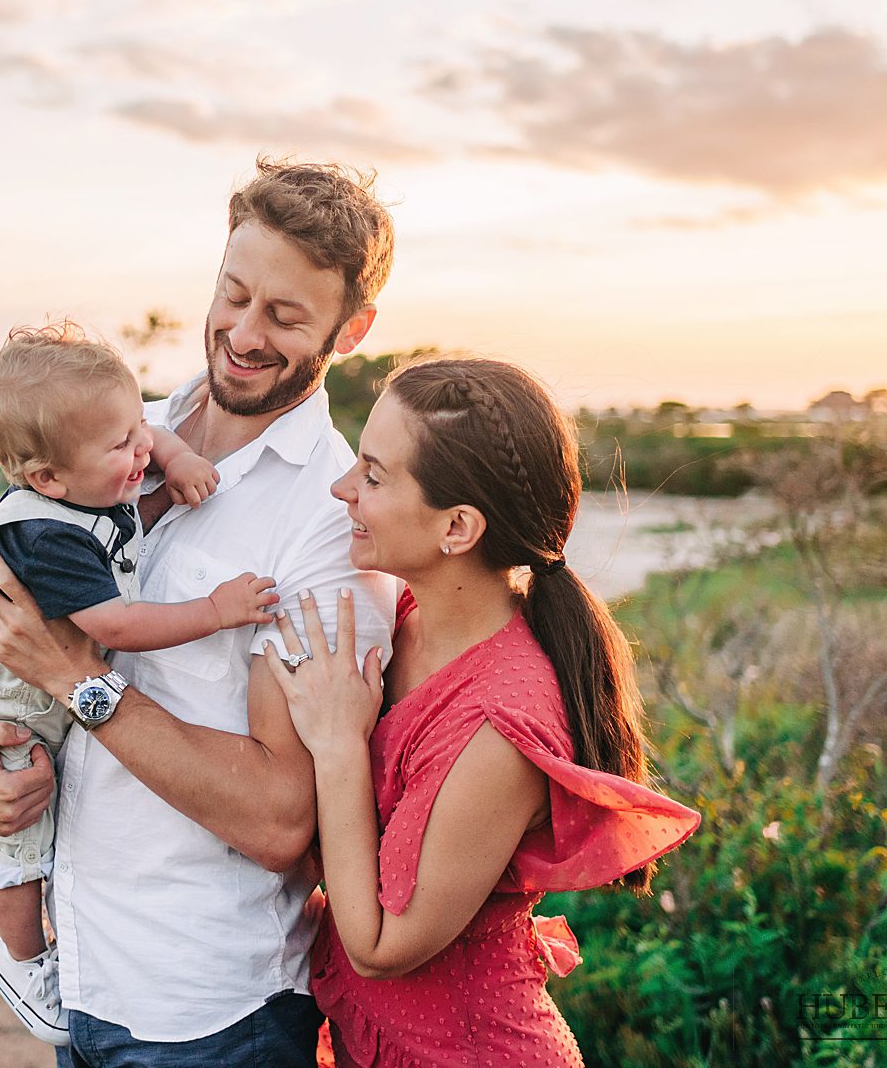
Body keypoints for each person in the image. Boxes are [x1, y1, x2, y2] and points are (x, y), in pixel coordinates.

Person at [0, 158, 399, 1067]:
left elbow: (281, 820)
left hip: (210, 1011)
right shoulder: (111, 428)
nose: (243, 331)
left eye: (286, 315)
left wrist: (77, 679)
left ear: (354, 329)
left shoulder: (330, 526)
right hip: (84, 983)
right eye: (233, 293)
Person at [268, 357, 702, 1066]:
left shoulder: (500, 724)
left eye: (373, 476)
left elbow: (381, 946)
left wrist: (340, 745)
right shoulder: (407, 616)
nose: (343, 487)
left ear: (458, 526)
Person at [0, 322, 281, 1044]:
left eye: (140, 431)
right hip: (4, 705)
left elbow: (147, 452)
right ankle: (24, 959)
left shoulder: (97, 460)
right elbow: (118, 626)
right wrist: (215, 611)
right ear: (49, 480)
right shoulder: (48, 537)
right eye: (123, 445)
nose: (142, 450)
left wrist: (176, 458)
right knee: (20, 838)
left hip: (26, 690)